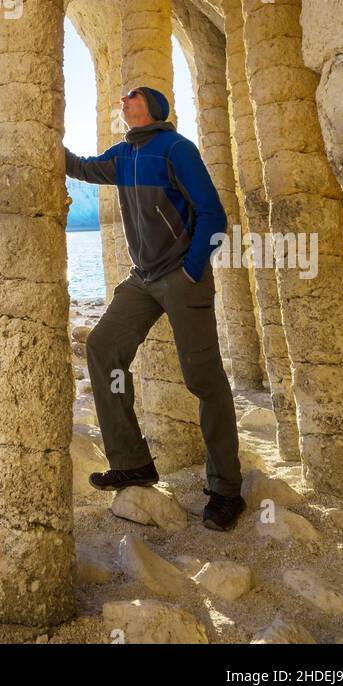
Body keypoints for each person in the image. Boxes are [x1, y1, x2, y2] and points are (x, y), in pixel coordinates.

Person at [64, 84, 245, 531]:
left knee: (202, 378)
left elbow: (213, 215)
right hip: (142, 279)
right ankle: (132, 462)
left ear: (155, 108)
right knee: (103, 348)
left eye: (132, 96)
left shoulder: (176, 149)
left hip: (182, 279)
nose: (123, 100)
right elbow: (83, 168)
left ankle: (226, 490)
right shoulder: (124, 153)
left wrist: (191, 269)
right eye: (122, 97)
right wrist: (45, 137)